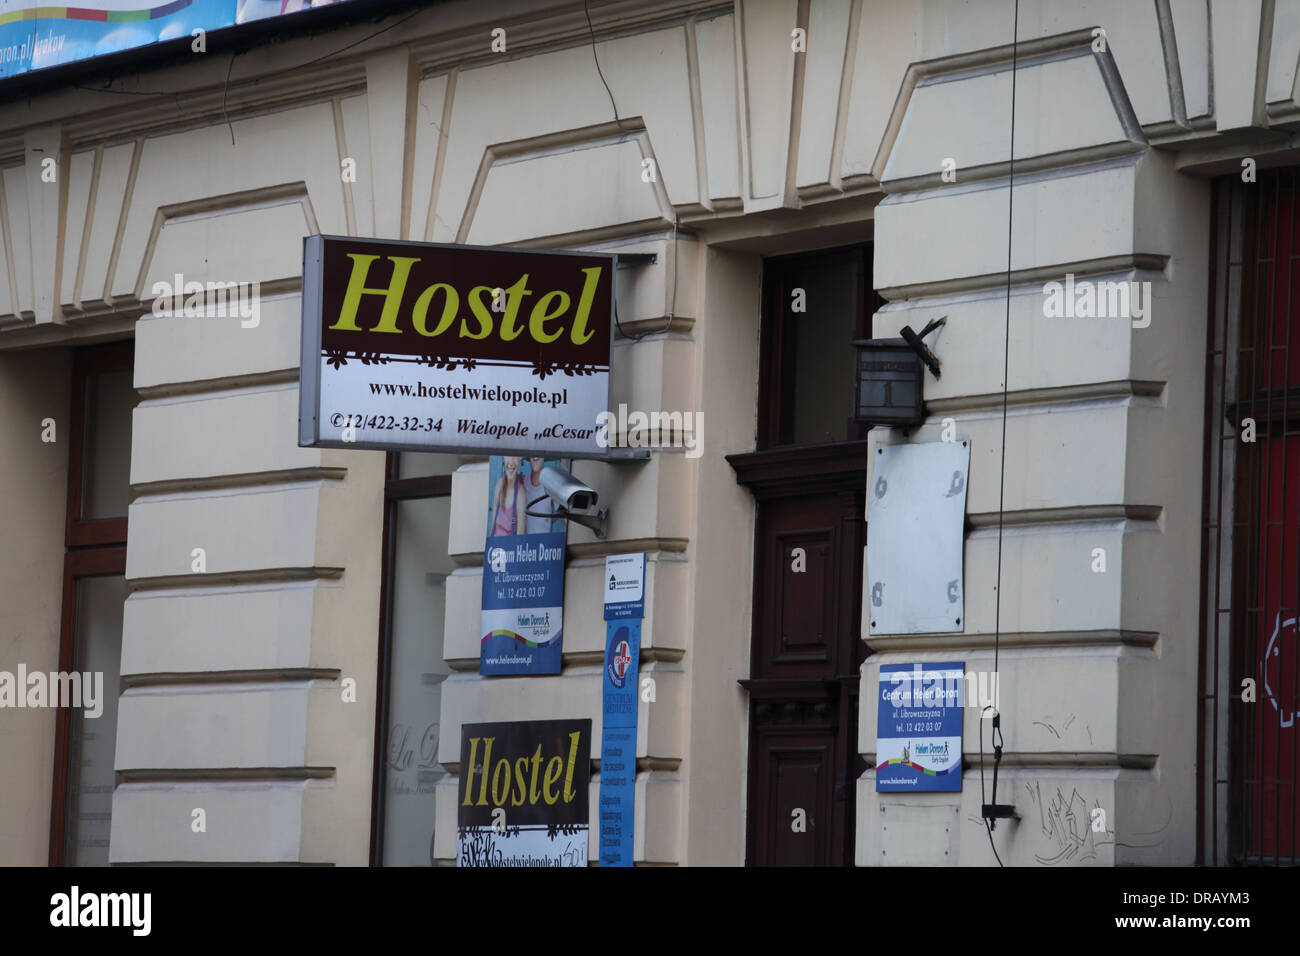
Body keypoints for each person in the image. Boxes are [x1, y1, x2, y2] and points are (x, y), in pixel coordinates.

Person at [489, 457, 526, 537]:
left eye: (515, 457)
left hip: (509, 548)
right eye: (508, 456)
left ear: (520, 458)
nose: (511, 463)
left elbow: (520, 538)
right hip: (495, 547)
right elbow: (492, 526)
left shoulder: (520, 494)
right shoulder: (499, 485)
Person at [524, 457, 556, 534]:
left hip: (542, 543)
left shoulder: (551, 486)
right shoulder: (522, 482)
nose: (536, 455)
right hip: (522, 544)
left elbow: (566, 517)